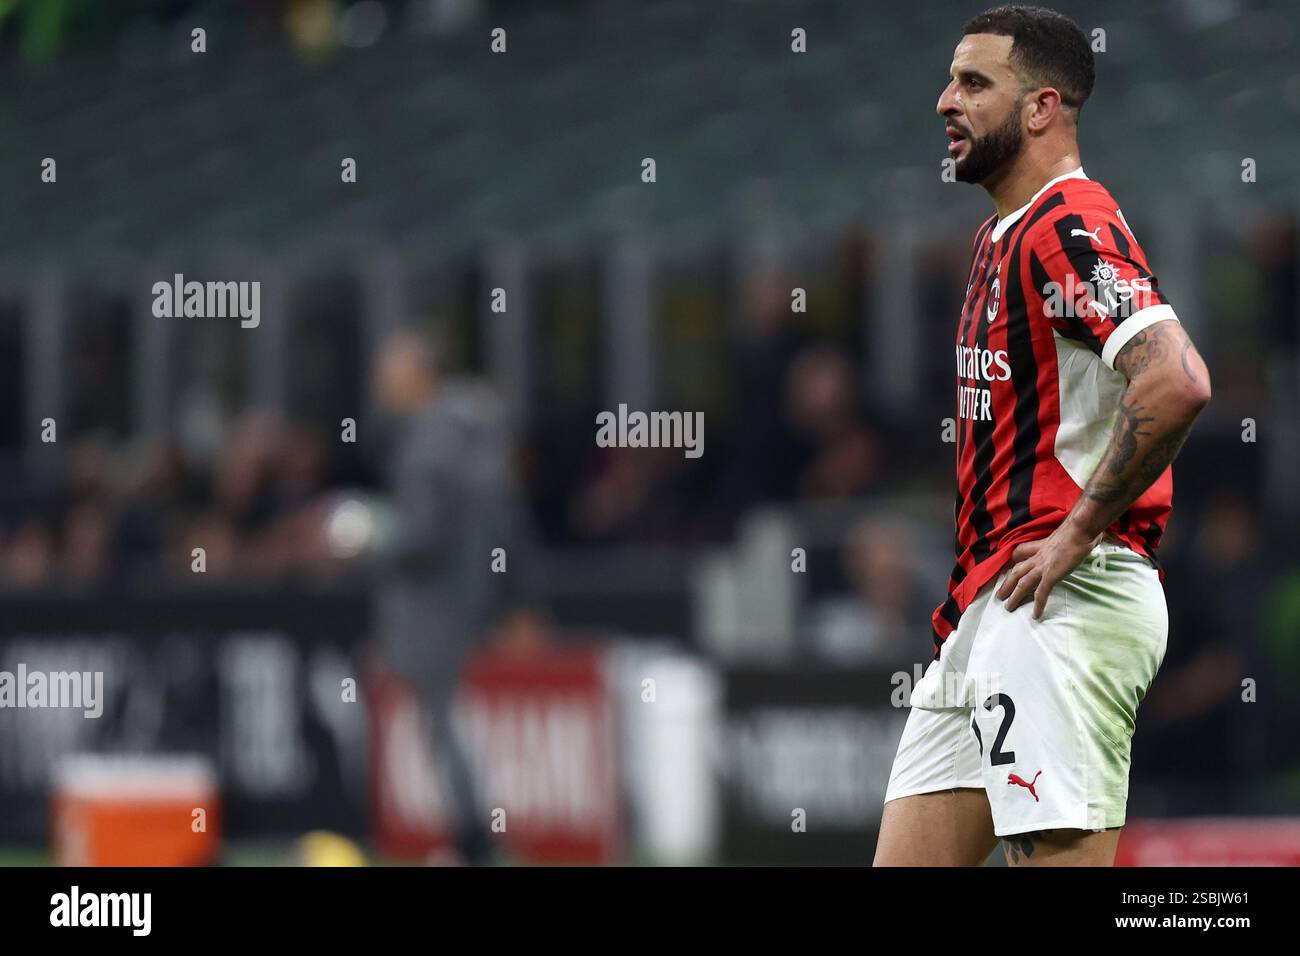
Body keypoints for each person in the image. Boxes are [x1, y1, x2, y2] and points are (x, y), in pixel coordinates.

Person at [874, 5, 1212, 867]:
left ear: (1041, 109)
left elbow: (1176, 380)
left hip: (1064, 602)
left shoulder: (1070, 226)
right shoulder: (1000, 235)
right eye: (951, 79)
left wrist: (1076, 532)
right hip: (993, 605)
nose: (946, 100)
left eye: (974, 83)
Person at [364, 326, 540, 865]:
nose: (380, 385)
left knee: (444, 724)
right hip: (474, 596)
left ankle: (474, 841)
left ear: (417, 374)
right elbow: (505, 517)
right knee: (450, 722)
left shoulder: (428, 441)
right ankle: (475, 839)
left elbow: (423, 533)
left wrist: (368, 538)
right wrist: (513, 595)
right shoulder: (471, 427)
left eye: (389, 372)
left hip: (433, 604)